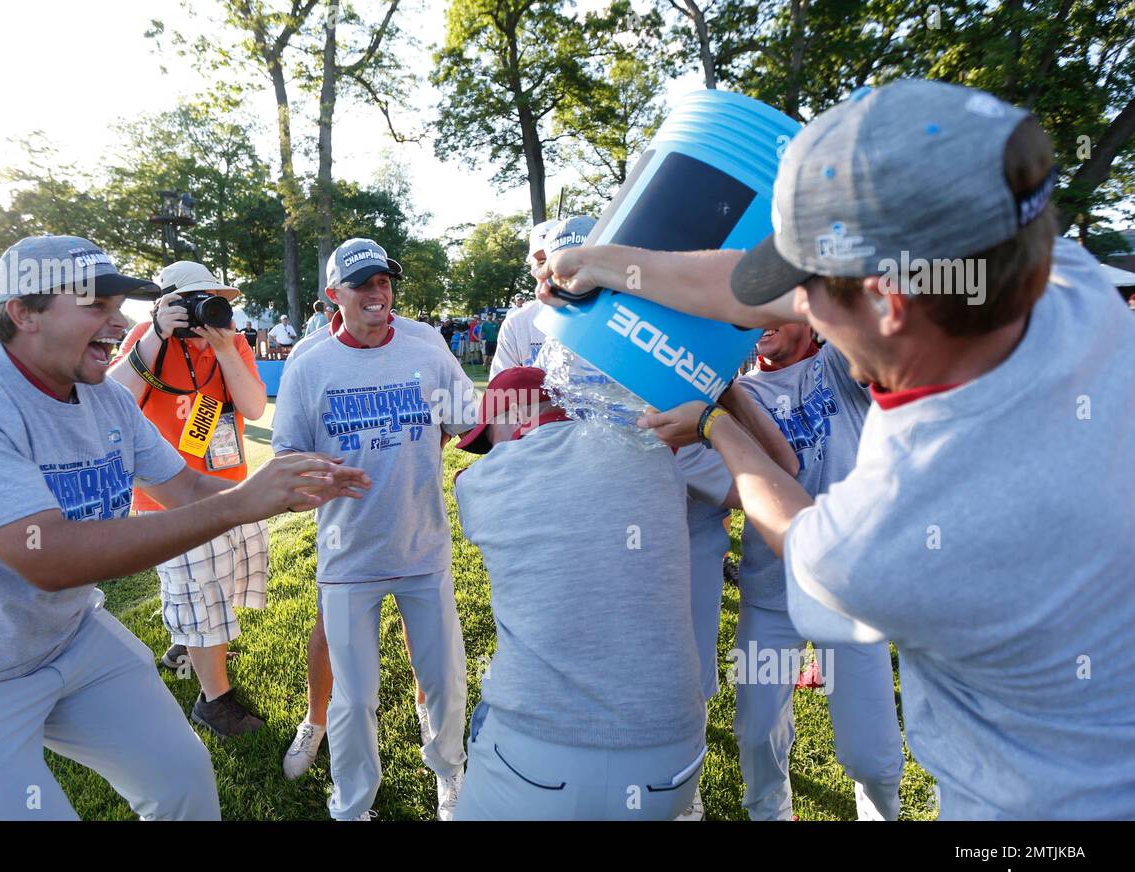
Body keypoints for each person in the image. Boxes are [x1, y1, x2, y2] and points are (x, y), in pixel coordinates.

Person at [540, 80, 1135, 819]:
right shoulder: (1050, 276)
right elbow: (753, 290)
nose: (787, 310)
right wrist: (607, 263)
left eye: (810, 289)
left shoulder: (898, 529)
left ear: (889, 303)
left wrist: (715, 426)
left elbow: (797, 530)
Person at [0, 234, 368, 820]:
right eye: (97, 307)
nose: (119, 323)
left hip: (61, 638)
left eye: (120, 308)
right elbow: (49, 556)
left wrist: (285, 495)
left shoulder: (104, 400)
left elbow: (185, 486)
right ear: (23, 312)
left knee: (181, 778)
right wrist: (239, 505)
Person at [272, 237, 477, 821]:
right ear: (334, 296)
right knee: (355, 697)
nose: (376, 293)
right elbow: (286, 458)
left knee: (443, 682)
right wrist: (321, 476)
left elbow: (464, 424)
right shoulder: (310, 364)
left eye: (384, 281)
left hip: (424, 548)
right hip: (348, 557)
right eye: (362, 285)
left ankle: (448, 774)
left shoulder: (428, 345)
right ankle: (352, 804)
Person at [452, 367, 707, 820]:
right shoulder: (654, 455)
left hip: (537, 761)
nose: (490, 452)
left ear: (512, 416)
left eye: (489, 439)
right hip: (673, 762)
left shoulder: (477, 485)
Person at [723, 320, 905, 820]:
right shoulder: (730, 392)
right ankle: (770, 814)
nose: (761, 319)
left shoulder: (840, 366)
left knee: (873, 757)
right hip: (770, 589)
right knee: (756, 732)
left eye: (773, 304)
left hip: (847, 592)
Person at [107, 260, 270, 737]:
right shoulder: (145, 337)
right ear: (166, 305)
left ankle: (187, 646)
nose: (204, 314)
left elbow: (255, 407)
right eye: (191, 304)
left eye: (210, 302)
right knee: (201, 592)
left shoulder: (231, 340)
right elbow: (109, 400)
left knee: (216, 585)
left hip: (226, 488)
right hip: (169, 499)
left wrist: (223, 350)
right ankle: (214, 700)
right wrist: (157, 334)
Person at [491, 218, 562, 376]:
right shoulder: (516, 324)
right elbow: (500, 394)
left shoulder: (613, 318)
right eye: (542, 262)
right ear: (532, 269)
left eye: (558, 259)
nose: (550, 270)